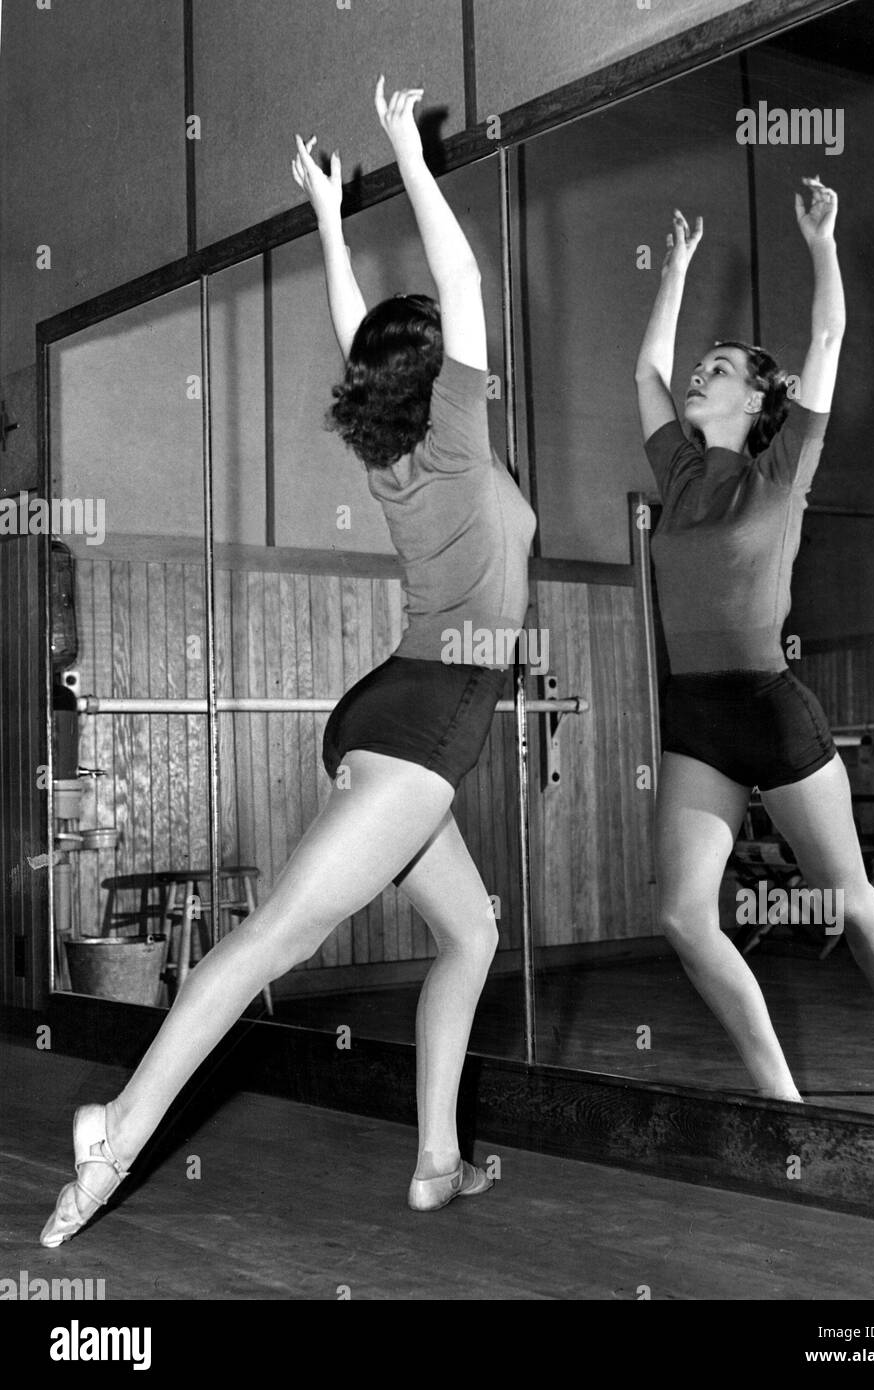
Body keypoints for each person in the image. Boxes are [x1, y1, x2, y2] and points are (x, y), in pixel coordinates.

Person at [41, 78, 537, 1247]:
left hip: (405, 704)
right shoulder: (459, 429)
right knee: (270, 942)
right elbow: (459, 283)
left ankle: (435, 1159)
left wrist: (328, 211)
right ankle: (112, 1133)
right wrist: (407, 155)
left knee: (470, 933)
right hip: (423, 722)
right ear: (442, 373)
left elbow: (362, 329)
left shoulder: (394, 450)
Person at [634, 177, 874, 1103]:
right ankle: (780, 1096)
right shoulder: (677, 471)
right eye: (704, 364)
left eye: (718, 368)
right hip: (697, 718)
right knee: (684, 916)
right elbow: (644, 370)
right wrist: (675, 269)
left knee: (847, 902)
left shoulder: (782, 468)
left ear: (761, 396)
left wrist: (822, 243)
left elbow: (830, 339)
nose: (697, 373)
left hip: (771, 707)